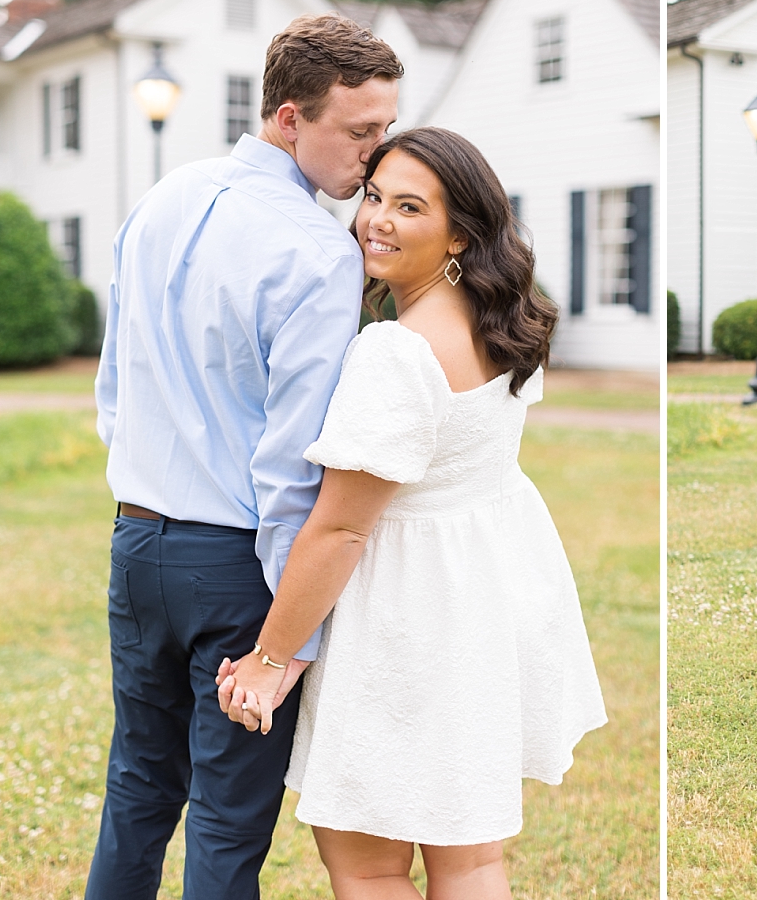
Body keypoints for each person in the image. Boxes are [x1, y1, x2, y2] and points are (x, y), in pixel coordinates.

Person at [216, 126, 607, 899]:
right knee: (471, 857)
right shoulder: (506, 326)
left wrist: (270, 660)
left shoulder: (398, 352)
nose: (376, 220)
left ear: (458, 231)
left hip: (406, 620)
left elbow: (341, 526)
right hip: (484, 605)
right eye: (372, 197)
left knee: (367, 866)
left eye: (408, 206)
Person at [88, 13, 402, 900]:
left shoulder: (161, 198)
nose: (376, 155)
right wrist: (286, 639)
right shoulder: (315, 253)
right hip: (236, 563)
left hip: (135, 542)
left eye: (385, 128)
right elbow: (294, 467)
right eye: (360, 131)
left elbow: (115, 393)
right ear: (290, 118)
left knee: (138, 789)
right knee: (226, 819)